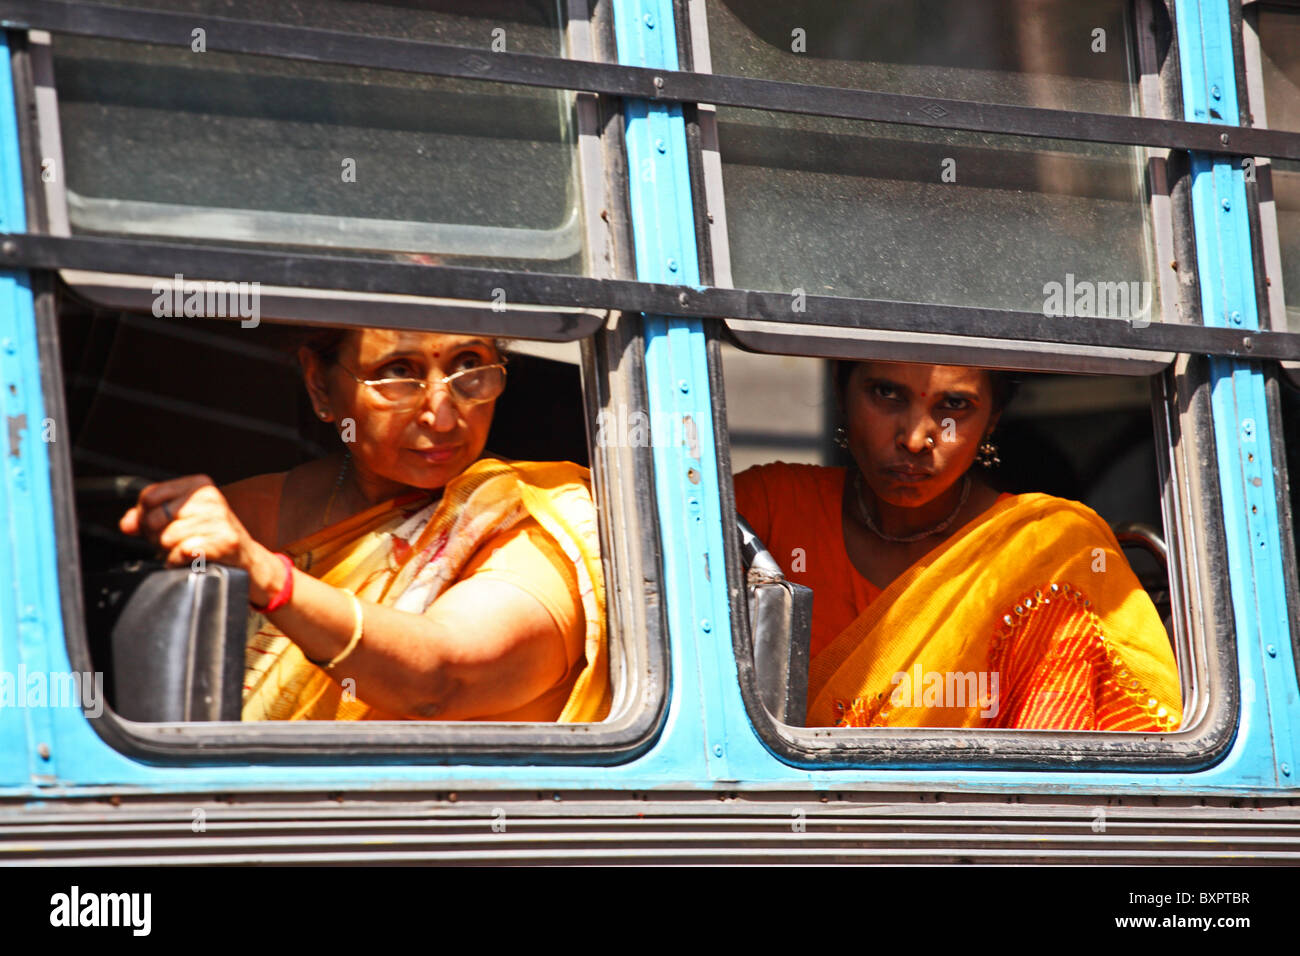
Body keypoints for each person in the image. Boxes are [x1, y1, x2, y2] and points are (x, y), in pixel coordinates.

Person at [118, 327, 610, 722]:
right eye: (399, 372)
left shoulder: (528, 517)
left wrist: (271, 580)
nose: (441, 417)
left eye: (467, 366)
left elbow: (439, 678)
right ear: (318, 383)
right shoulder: (250, 513)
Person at [733, 359, 1181, 731]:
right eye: (886, 394)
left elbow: (1058, 765)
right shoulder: (769, 509)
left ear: (992, 420)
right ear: (841, 392)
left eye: (955, 406)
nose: (914, 439)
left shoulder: (1051, 549)